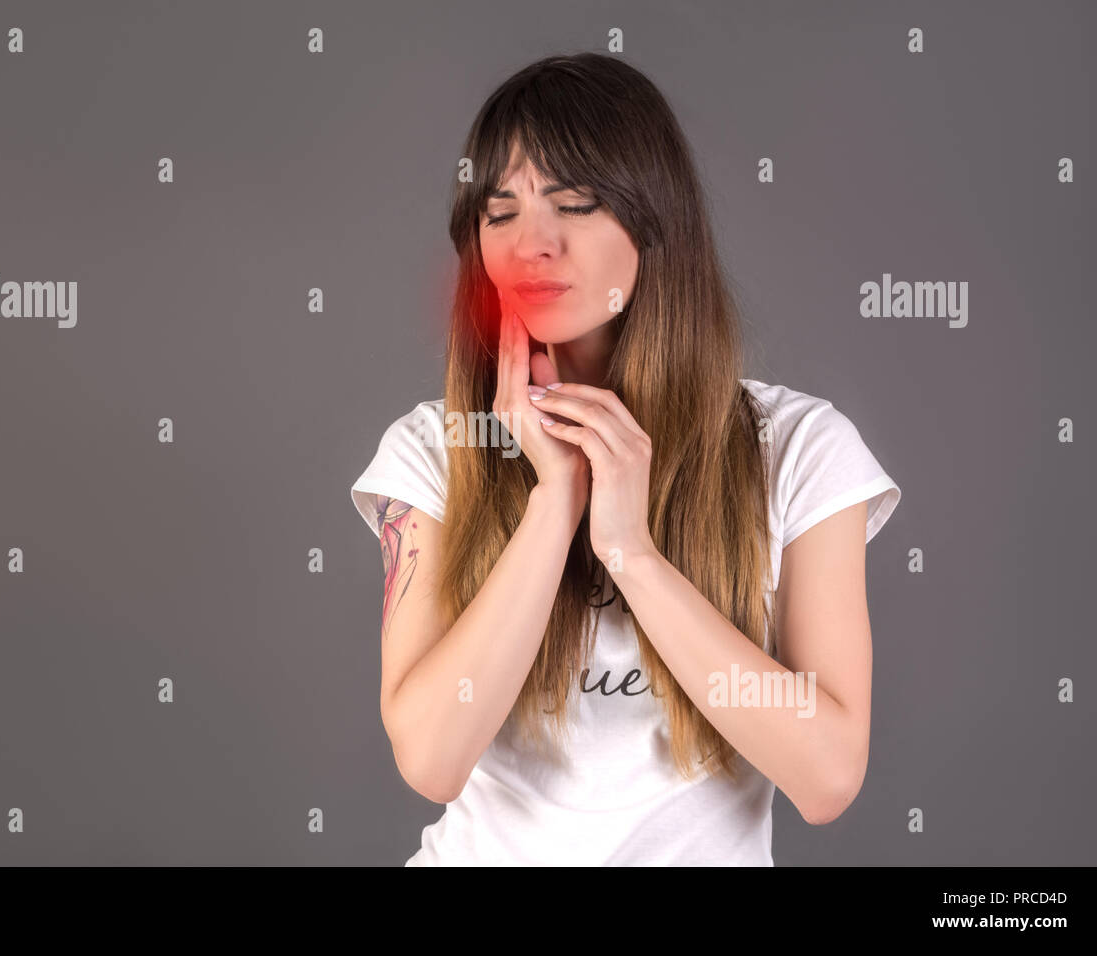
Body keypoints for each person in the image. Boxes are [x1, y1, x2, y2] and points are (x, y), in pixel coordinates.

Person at [350, 52, 901, 865]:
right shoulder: (432, 452)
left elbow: (826, 778)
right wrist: (556, 500)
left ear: (657, 225)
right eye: (499, 214)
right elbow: (431, 761)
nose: (532, 244)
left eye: (574, 204)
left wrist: (631, 552)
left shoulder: (801, 450)